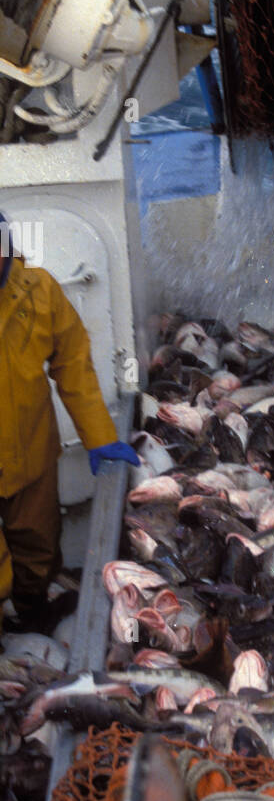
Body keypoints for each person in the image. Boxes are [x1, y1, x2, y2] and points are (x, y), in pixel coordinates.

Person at [0, 212, 138, 640]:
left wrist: (101, 437)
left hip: (32, 458)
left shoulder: (38, 289)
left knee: (39, 549)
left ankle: (32, 613)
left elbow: (72, 364)